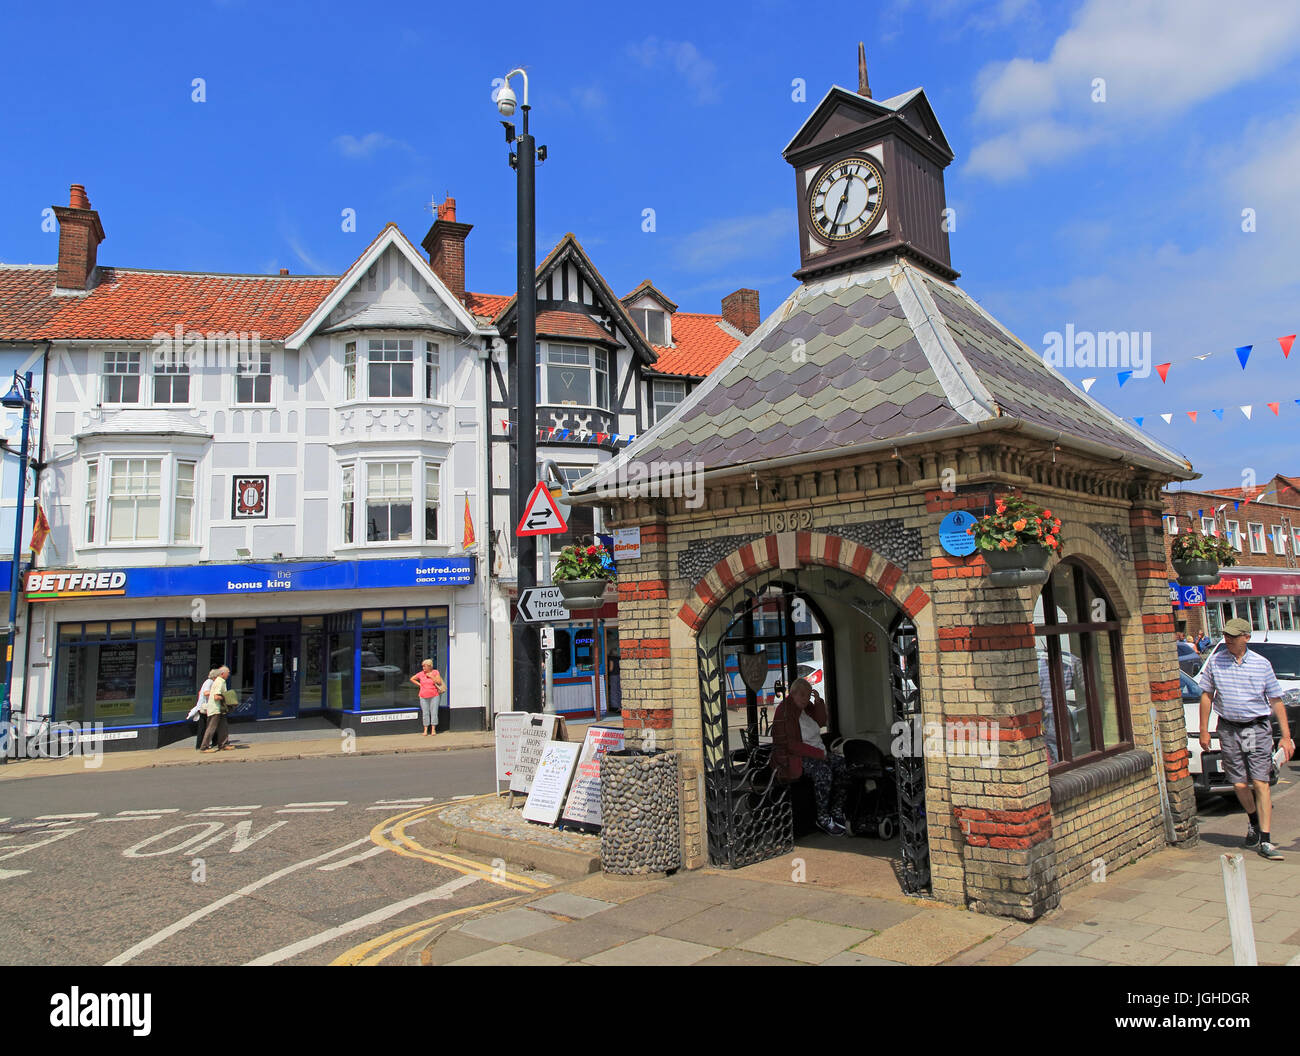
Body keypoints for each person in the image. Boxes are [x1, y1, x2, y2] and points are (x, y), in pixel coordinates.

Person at [1198, 618, 1294, 860]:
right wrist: (1204, 729)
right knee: (1239, 784)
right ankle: (1253, 819)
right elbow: (1207, 695)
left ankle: (1266, 839)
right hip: (1229, 728)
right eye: (1226, 636)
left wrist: (1286, 736)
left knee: (1260, 781)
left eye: (1233, 636)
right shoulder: (1216, 662)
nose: (1228, 640)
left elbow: (1276, 700)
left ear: (1246, 638)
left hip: (1256, 728)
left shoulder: (1262, 665)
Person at [771, 676, 848, 834]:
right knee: (823, 772)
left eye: (808, 695)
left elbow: (821, 721)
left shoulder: (805, 707)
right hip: (793, 759)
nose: (806, 699)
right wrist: (819, 754)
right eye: (803, 695)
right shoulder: (785, 711)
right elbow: (790, 745)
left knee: (842, 765)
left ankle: (836, 809)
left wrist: (819, 702)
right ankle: (823, 817)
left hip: (816, 751)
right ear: (793, 694)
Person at [199, 666, 233, 753]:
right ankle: (204, 747)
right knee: (211, 727)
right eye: (227, 672)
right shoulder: (219, 682)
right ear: (222, 674)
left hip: (220, 709)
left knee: (223, 726)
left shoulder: (221, 681)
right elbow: (216, 696)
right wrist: (227, 697)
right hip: (215, 708)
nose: (229, 674)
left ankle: (223, 744)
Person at [409, 659, 446, 736]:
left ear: (430, 666)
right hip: (423, 695)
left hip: (434, 695)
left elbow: (439, 682)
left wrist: (432, 676)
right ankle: (425, 729)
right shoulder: (421, 674)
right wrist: (419, 685)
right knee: (425, 712)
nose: (423, 668)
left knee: (434, 712)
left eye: (425, 666)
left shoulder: (435, 672)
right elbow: (412, 678)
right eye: (423, 666)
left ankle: (433, 729)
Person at [187, 668, 218, 750]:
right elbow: (205, 693)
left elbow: (200, 692)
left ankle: (214, 741)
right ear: (215, 676)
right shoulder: (210, 682)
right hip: (205, 707)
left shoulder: (207, 682)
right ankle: (200, 744)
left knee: (210, 724)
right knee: (205, 726)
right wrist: (216, 693)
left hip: (203, 706)